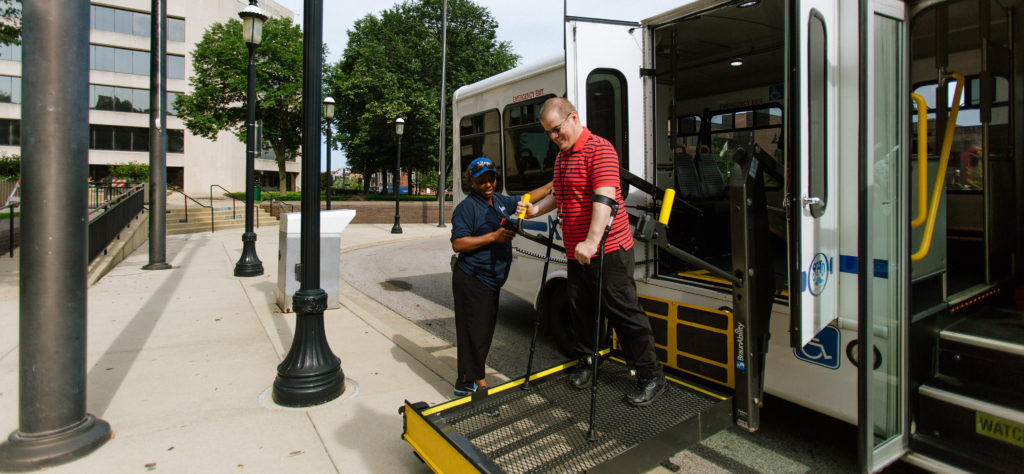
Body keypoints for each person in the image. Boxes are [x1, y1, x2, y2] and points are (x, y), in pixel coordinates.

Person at [517, 97, 667, 407]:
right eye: (548, 133)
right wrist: (535, 210)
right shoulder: (562, 156)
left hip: (608, 249)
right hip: (578, 252)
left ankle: (651, 375)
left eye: (557, 130)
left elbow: (605, 199)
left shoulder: (600, 149)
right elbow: (560, 195)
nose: (554, 137)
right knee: (580, 310)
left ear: (573, 118)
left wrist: (591, 241)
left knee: (623, 311)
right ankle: (587, 362)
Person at [450, 157, 518, 396]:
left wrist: (554, 184)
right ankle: (477, 386)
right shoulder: (466, 208)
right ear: (471, 182)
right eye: (481, 181)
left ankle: (466, 381)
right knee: (476, 334)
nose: (488, 184)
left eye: (491, 179)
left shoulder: (499, 201)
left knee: (482, 333)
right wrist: (493, 237)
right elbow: (458, 243)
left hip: (491, 281)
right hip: (472, 279)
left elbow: (526, 199)